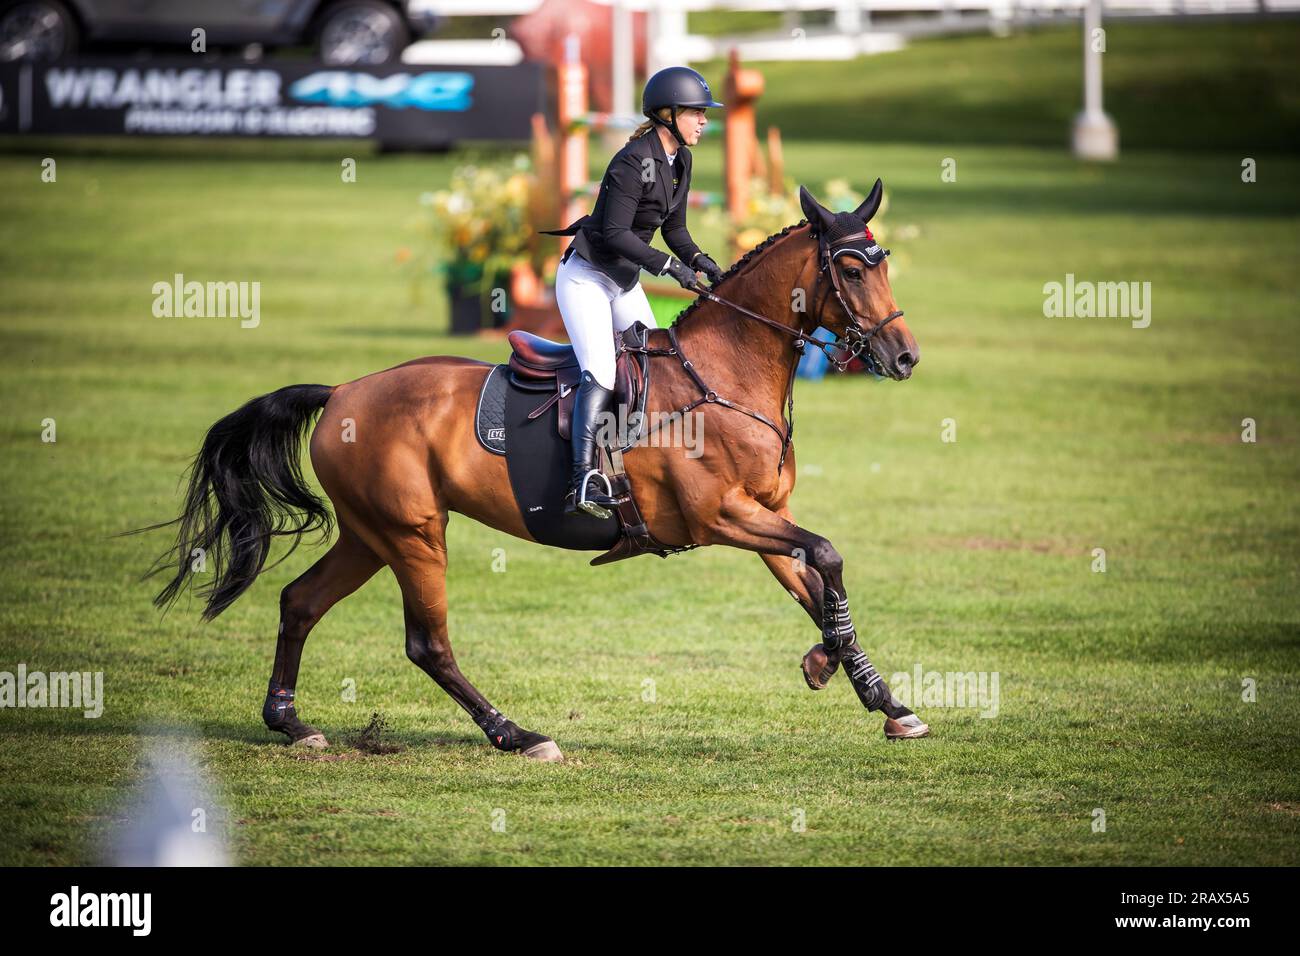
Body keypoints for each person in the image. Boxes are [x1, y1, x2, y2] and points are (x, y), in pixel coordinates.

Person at [540, 66, 726, 519]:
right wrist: (667, 267)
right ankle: (582, 480)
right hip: (586, 277)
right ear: (667, 114)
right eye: (696, 113)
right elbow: (615, 231)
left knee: (659, 363)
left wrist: (704, 262)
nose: (704, 121)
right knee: (601, 370)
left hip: (621, 280)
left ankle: (640, 460)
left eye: (704, 114)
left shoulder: (681, 161)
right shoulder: (631, 162)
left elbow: (675, 229)